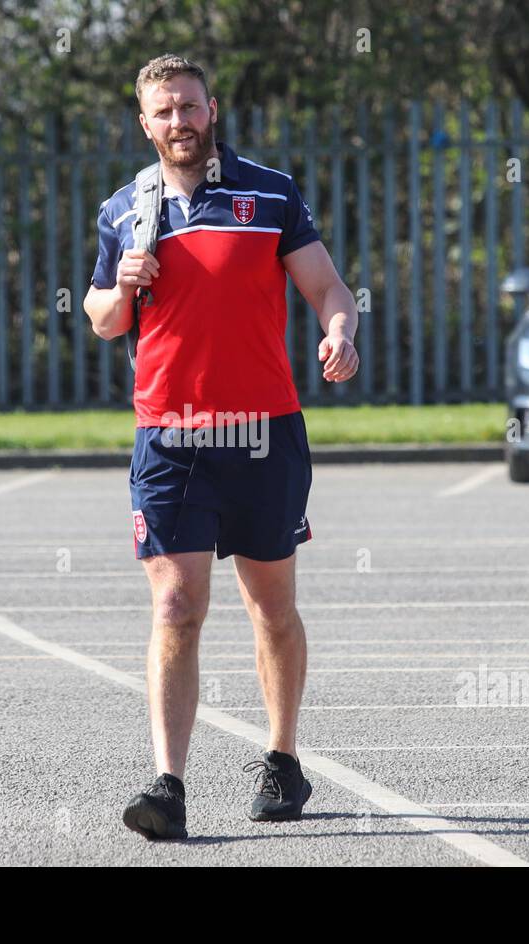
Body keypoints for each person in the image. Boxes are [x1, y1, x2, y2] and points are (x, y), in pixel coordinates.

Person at [83, 53, 359, 840]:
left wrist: (340, 331)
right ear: (145, 123)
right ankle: (167, 785)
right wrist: (123, 283)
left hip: (265, 433)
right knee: (176, 606)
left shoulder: (269, 193)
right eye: (163, 112)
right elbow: (100, 317)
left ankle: (282, 759)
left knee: (271, 611)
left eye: (190, 107)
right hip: (170, 436)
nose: (179, 122)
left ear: (213, 109)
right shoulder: (125, 210)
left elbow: (327, 289)